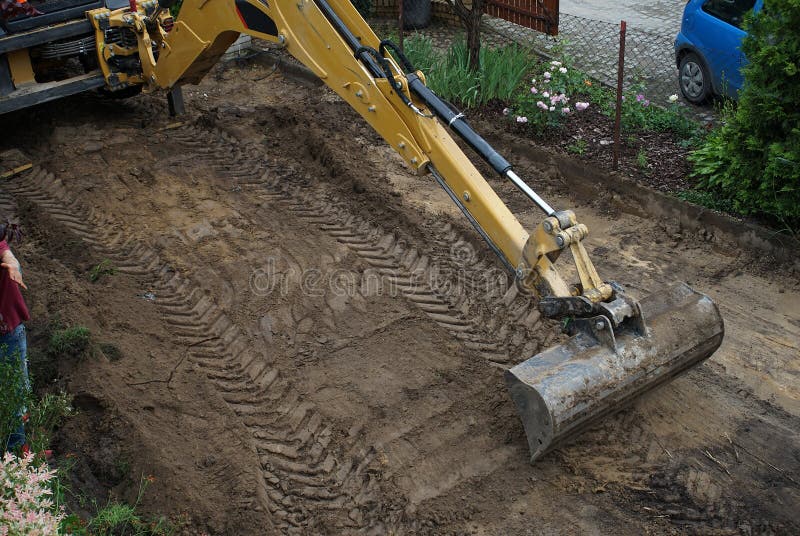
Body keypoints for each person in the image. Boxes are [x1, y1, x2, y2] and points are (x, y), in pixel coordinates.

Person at [0, 236, 30, 452]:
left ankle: (17, 452)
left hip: (8, 332)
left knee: (17, 393)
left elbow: (7, 254)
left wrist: (12, 264)